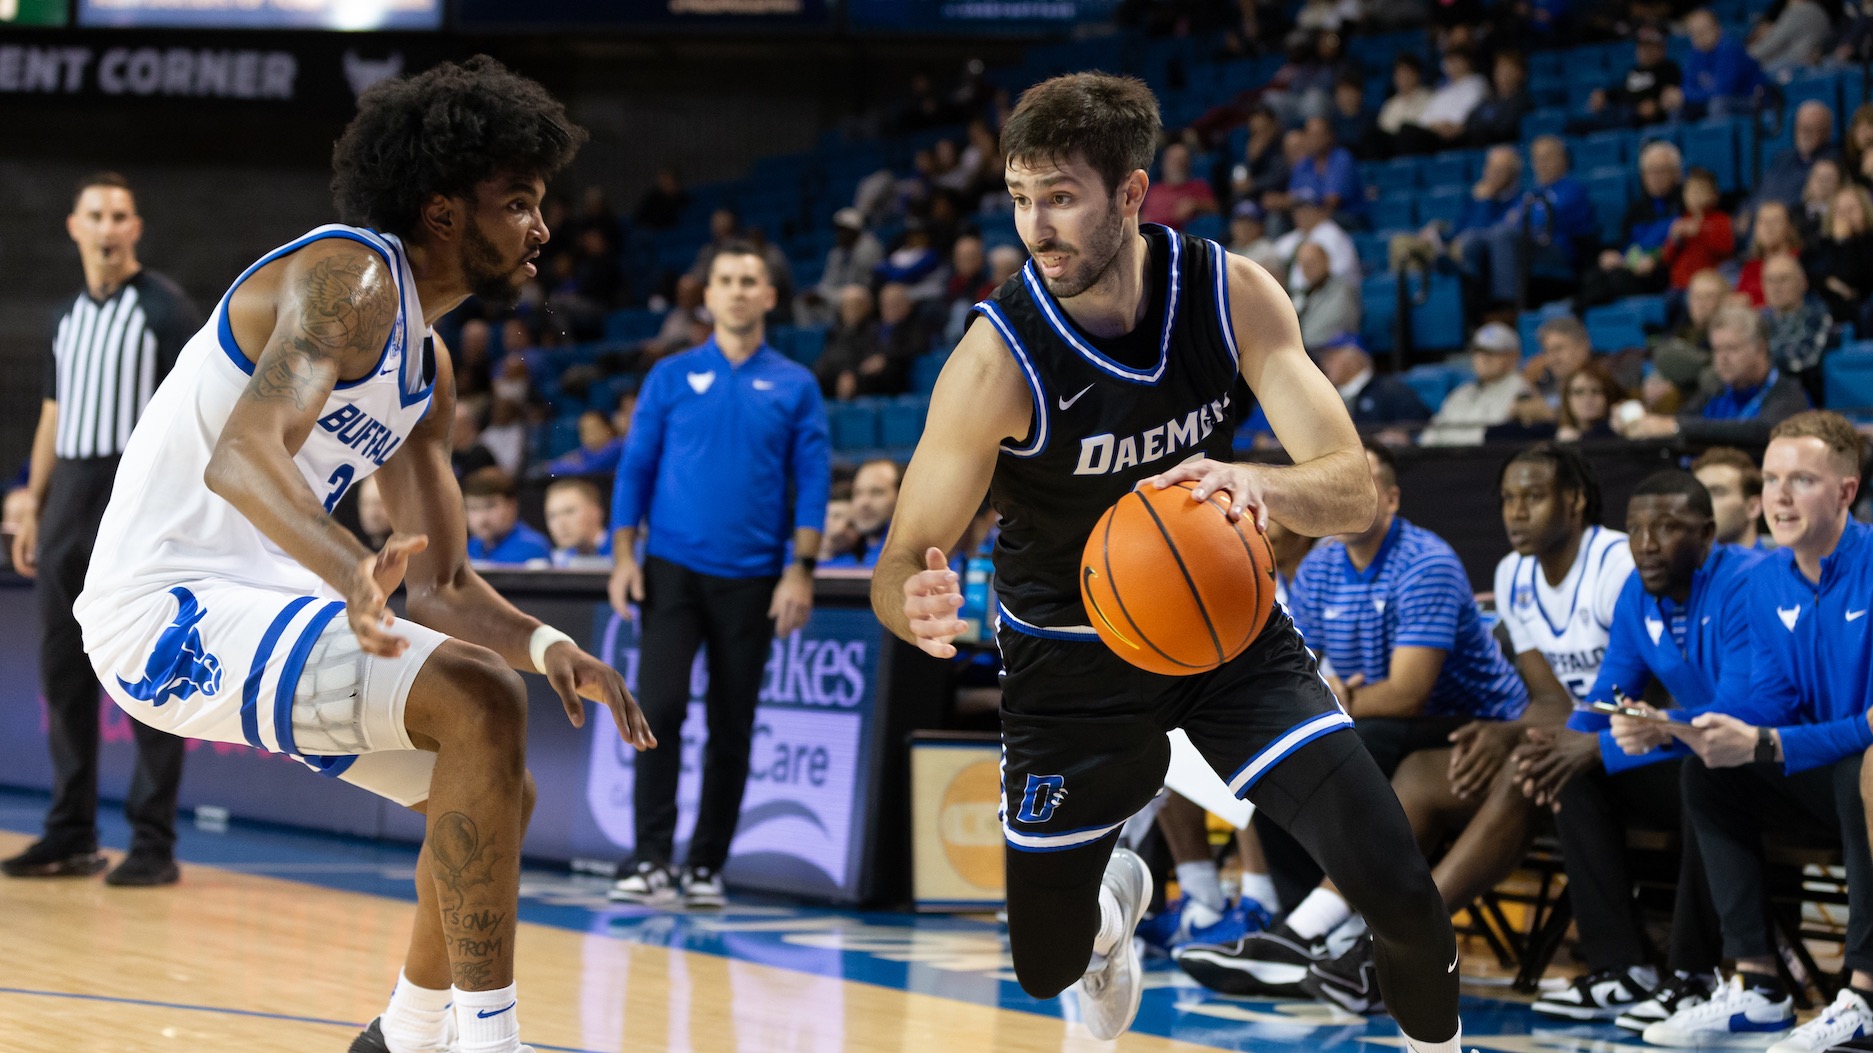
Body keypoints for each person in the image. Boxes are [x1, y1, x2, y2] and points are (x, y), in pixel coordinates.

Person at [69, 57, 655, 1053]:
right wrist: (348, 571)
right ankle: (490, 1039)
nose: (541, 230)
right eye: (516, 203)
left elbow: (443, 585)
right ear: (439, 211)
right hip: (164, 606)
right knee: (477, 703)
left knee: (497, 790)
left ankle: (404, 1034)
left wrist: (552, 645)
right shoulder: (348, 275)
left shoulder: (424, 366)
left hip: (258, 604)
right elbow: (243, 457)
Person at [873, 73, 1462, 1049]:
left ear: (1133, 194)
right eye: (1020, 200)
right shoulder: (994, 362)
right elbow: (899, 561)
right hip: (1067, 658)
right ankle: (1117, 903)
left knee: (1392, 879)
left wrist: (1257, 483)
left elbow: (1351, 487)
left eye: (1060, 197)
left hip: (1227, 633)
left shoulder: (1230, 295)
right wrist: (916, 604)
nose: (1035, 228)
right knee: (1046, 961)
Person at [1621, 412, 1873, 1052]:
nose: (1778, 498)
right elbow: (1766, 702)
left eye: (1802, 480)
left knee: (1864, 768)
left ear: (1846, 491)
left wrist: (1769, 744)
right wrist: (1677, 727)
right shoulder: (1763, 581)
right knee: (1710, 771)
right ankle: (1758, 986)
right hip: (1826, 774)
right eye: (1770, 480)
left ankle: (1867, 995)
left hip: (1866, 776)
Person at [606, 240, 831, 910]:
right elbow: (635, 468)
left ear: (768, 296)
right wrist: (623, 556)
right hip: (671, 570)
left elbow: (813, 481)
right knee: (661, 710)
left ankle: (705, 865)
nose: (736, 290)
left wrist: (802, 569)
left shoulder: (796, 383)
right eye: (725, 280)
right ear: (705, 297)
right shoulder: (670, 376)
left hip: (756, 577)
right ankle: (650, 858)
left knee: (734, 722)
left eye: (749, 281)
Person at [2, 171, 200, 887]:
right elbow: (55, 414)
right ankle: (70, 832)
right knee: (64, 669)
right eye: (96, 214)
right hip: (68, 501)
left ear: (135, 228)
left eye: (120, 214)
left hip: (137, 498)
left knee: (148, 668)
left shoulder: (167, 311)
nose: (109, 226)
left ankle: (153, 841)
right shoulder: (64, 316)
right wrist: (30, 495)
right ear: (74, 226)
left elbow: (196, 413)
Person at [1513, 471, 1747, 1026]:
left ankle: (1693, 974)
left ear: (1708, 534)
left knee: (1701, 782)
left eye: (1666, 528)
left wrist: (1599, 750)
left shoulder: (1742, 584)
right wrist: (1565, 747)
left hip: (1753, 761)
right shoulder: (1638, 594)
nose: (1645, 544)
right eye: (1635, 528)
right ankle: (1621, 969)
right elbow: (1606, 695)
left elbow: (1739, 711)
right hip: (1690, 754)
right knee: (1572, 776)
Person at [1619, 304, 1811, 445]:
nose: (1722, 358)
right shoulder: (1715, 391)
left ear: (1760, 349)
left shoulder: (1787, 393)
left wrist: (1679, 427)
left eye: (1732, 348)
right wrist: (1639, 423)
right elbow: (1679, 419)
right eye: (1717, 349)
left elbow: (1763, 430)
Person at [1419, 322, 1533, 446]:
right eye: (1479, 352)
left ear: (1513, 356)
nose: (1483, 358)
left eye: (1492, 353)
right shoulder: (1463, 391)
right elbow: (1431, 434)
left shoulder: (1520, 390)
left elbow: (1490, 437)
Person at [462, 467, 551, 566]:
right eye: (473, 508)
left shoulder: (531, 546)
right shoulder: (471, 546)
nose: (482, 518)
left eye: (490, 506)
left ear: (512, 506)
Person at [825, 458, 899, 568]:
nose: (864, 502)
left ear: (900, 496)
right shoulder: (845, 550)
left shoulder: (912, 552)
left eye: (877, 492)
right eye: (858, 493)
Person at [1290, 241, 1362, 352]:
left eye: (1312, 262)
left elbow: (1337, 321)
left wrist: (1301, 343)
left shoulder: (1342, 290)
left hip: (1335, 350)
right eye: (1303, 264)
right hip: (1308, 352)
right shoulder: (1302, 294)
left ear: (1326, 261)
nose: (1308, 268)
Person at [1691, 447, 1766, 549]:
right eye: (1698, 493)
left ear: (1753, 507)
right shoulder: (1681, 563)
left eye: (1716, 492)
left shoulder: (1781, 564)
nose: (1701, 502)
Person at [543, 478, 610, 566]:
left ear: (596, 511)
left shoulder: (627, 552)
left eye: (569, 512)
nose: (561, 524)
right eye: (552, 516)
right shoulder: (557, 562)